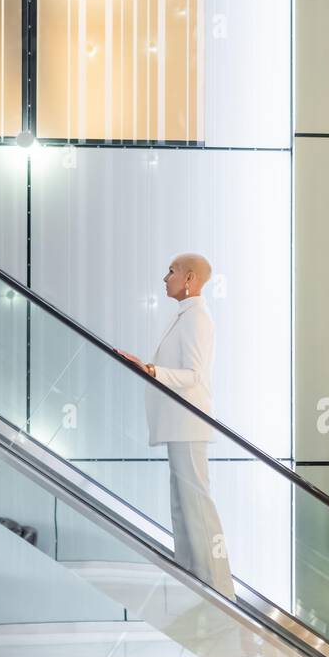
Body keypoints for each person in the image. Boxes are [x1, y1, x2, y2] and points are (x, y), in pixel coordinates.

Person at [122, 254, 234, 600]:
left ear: (190, 278)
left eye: (171, 271)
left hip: (188, 425)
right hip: (178, 427)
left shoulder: (197, 318)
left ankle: (220, 593)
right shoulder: (185, 316)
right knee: (183, 508)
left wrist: (153, 371)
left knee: (197, 508)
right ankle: (193, 586)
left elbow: (194, 376)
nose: (165, 277)